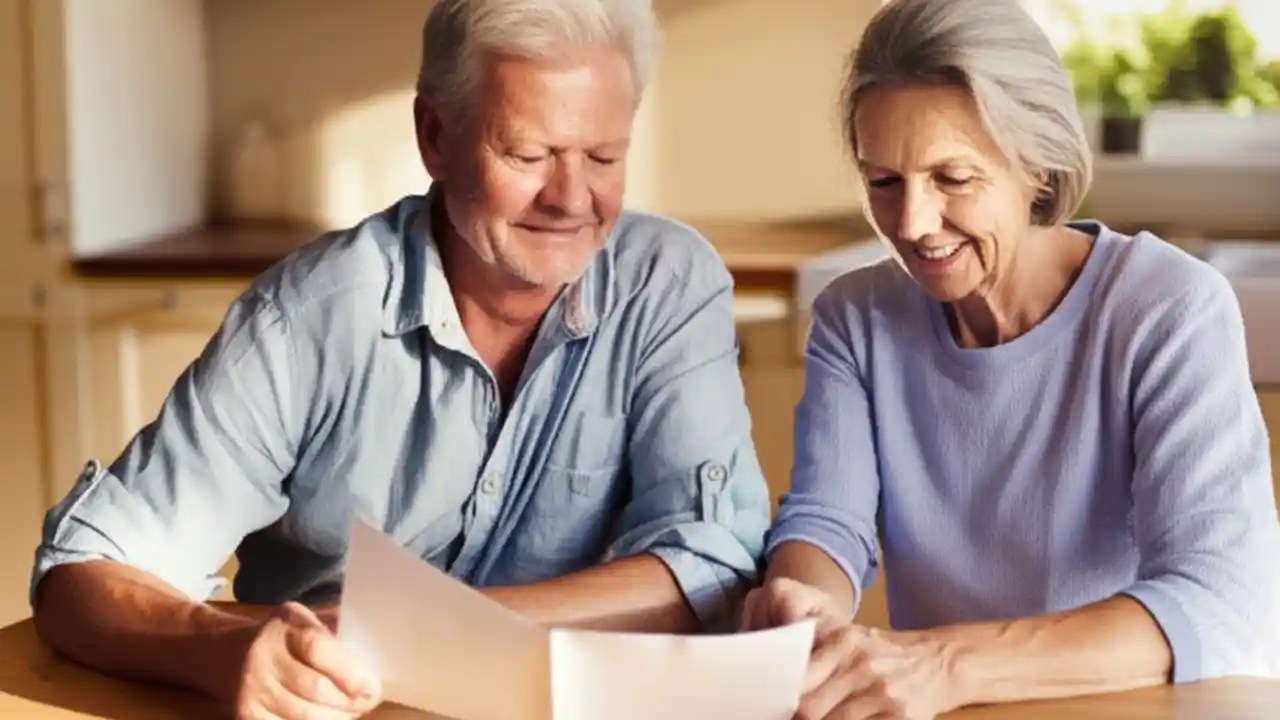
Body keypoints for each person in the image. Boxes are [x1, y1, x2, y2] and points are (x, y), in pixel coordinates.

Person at [31, 1, 771, 718]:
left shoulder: (668, 284)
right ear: (434, 135)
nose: (571, 198)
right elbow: (82, 573)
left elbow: (715, 564)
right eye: (529, 154)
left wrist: (417, 640)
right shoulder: (311, 317)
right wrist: (227, 649)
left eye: (605, 156)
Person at [743, 0, 1280, 717]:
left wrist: (944, 662)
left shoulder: (1168, 309)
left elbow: (1222, 598)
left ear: (1037, 163)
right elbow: (827, 521)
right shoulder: (857, 317)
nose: (912, 225)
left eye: (953, 179)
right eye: (883, 182)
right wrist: (804, 605)